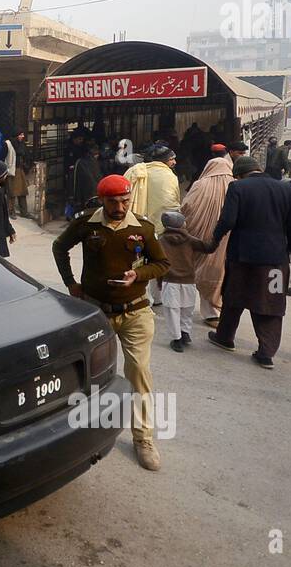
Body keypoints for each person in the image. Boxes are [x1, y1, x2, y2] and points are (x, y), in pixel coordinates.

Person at [52, 174, 169, 472]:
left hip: (136, 312)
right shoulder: (86, 224)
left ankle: (143, 438)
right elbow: (59, 247)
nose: (120, 207)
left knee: (139, 372)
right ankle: (82, 432)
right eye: (113, 201)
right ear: (102, 199)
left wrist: (138, 276)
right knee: (88, 374)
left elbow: (162, 263)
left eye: (124, 200)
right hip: (96, 311)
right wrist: (71, 284)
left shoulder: (142, 227)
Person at [204, 156, 291, 370]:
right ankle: (266, 353)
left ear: (238, 174)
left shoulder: (237, 187)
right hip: (275, 261)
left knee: (233, 296)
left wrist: (214, 240)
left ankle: (225, 337)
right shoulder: (286, 189)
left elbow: (228, 220)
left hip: (242, 257)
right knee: (272, 303)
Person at [179, 155, 233, 327]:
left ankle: (183, 305)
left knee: (195, 268)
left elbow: (187, 206)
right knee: (218, 270)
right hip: (224, 237)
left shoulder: (199, 184)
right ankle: (213, 312)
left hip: (198, 235)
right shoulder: (235, 185)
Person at [126, 143, 180, 305]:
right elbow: (171, 204)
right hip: (160, 227)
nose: (174, 162)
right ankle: (157, 298)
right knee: (157, 262)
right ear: (163, 160)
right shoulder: (168, 176)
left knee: (136, 260)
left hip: (136, 223)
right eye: (172, 159)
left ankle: (138, 295)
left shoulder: (136, 170)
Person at [157, 209, 204, 351]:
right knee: (187, 308)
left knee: (172, 310)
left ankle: (176, 338)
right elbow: (208, 247)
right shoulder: (190, 239)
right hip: (189, 280)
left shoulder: (161, 240)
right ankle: (185, 332)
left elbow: (158, 262)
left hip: (170, 280)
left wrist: (159, 281)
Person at [8, 131, 34, 217]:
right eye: (20, 134)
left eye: (23, 134)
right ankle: (11, 211)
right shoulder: (9, 144)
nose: (22, 136)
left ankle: (24, 212)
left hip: (20, 169)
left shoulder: (22, 145)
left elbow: (27, 155)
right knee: (12, 192)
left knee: (23, 191)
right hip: (12, 170)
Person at [70, 143, 101, 213]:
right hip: (93, 194)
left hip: (86, 196)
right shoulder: (92, 162)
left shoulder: (81, 162)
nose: (98, 155)